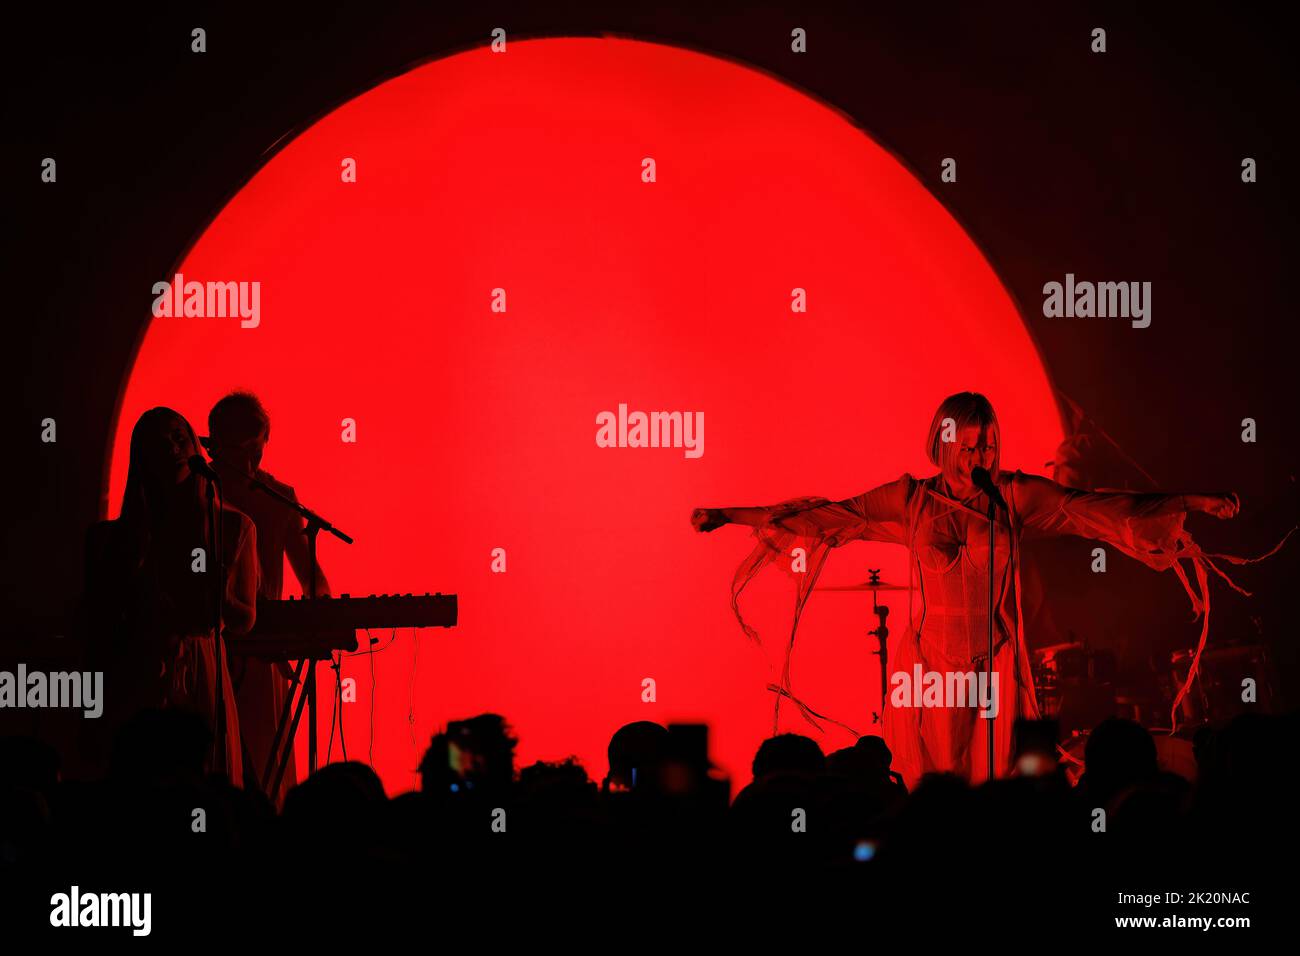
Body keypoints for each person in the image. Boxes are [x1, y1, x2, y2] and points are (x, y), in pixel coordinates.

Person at [691, 391, 1251, 786]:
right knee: (942, 777)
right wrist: (728, 514)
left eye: (989, 444)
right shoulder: (912, 500)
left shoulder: (1013, 495)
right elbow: (828, 514)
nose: (979, 454)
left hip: (995, 660)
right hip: (932, 661)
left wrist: (1190, 500)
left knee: (996, 777)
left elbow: (1094, 509)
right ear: (943, 439)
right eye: (969, 443)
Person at [81, 407, 258, 785]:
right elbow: (95, 621)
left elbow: (245, 619)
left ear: (194, 444)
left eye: (179, 437)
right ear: (143, 458)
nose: (173, 448)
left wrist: (216, 593)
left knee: (206, 780)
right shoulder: (115, 538)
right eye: (160, 443)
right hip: (139, 668)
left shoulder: (234, 525)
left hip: (202, 668)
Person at [205, 391, 331, 806]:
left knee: (260, 762)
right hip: (207, 647)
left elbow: (313, 580)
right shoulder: (197, 494)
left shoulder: (279, 498)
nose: (248, 458)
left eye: (253, 446)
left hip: (260, 654)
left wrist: (319, 617)